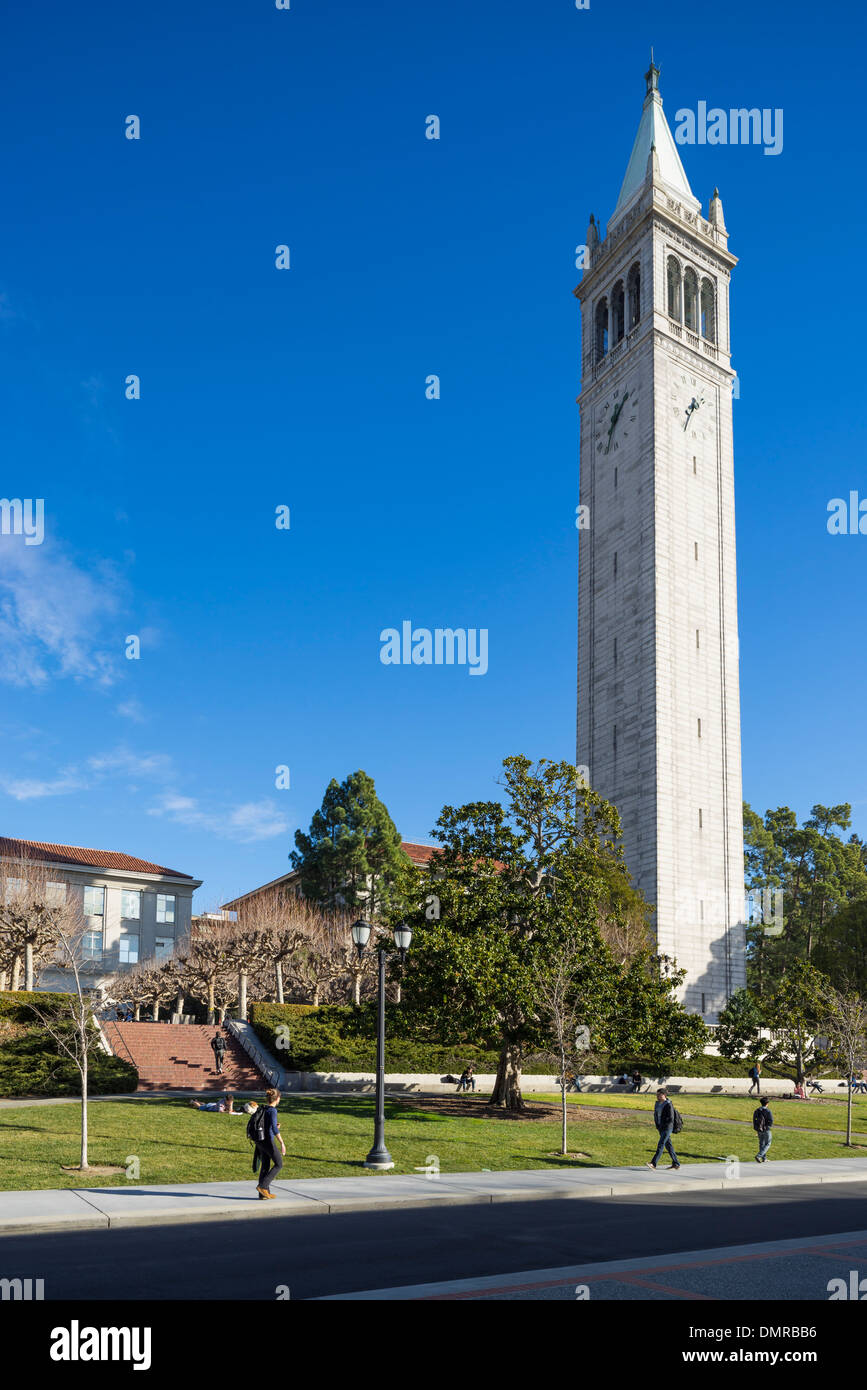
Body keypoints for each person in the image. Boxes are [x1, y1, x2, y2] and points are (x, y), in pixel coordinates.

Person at [252, 1088, 286, 1199]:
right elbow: (275, 1131)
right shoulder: (273, 1111)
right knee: (279, 1164)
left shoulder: (264, 1108)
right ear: (278, 1099)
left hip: (260, 1140)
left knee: (265, 1165)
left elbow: (267, 1126)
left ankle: (262, 1195)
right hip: (267, 1141)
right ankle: (263, 1186)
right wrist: (282, 1143)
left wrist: (275, 1126)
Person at [646, 1088, 680, 1170]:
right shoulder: (657, 1104)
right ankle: (676, 1163)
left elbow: (671, 1118)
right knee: (669, 1146)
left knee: (661, 1144)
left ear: (664, 1095)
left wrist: (664, 1125)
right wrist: (658, 1125)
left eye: (659, 1095)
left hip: (667, 1127)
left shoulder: (668, 1104)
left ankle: (653, 1163)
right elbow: (656, 1115)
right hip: (660, 1127)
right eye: (656, 1095)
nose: (657, 1096)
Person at [754, 1096, 773, 1162]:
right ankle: (759, 1156)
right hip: (766, 1129)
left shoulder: (757, 1110)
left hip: (759, 1129)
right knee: (768, 1143)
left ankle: (764, 1158)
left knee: (761, 1143)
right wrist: (768, 1127)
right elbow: (771, 1121)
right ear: (767, 1103)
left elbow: (754, 1120)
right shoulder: (768, 1111)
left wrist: (756, 1129)